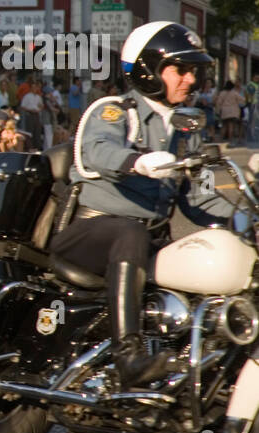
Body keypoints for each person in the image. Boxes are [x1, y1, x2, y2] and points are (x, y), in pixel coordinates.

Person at [49, 22, 231, 388]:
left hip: (144, 240)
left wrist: (243, 218)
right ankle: (129, 358)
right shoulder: (116, 111)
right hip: (89, 233)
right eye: (181, 69)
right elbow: (97, 149)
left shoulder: (186, 130)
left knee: (208, 255)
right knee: (130, 233)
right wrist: (136, 161)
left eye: (194, 70)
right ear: (148, 69)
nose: (190, 79)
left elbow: (200, 196)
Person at [215, 80, 243, 144]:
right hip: (233, 111)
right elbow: (242, 99)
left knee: (224, 126)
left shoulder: (222, 93)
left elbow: (218, 102)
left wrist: (217, 110)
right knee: (231, 126)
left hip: (224, 111)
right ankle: (230, 140)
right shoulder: (234, 93)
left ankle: (221, 140)